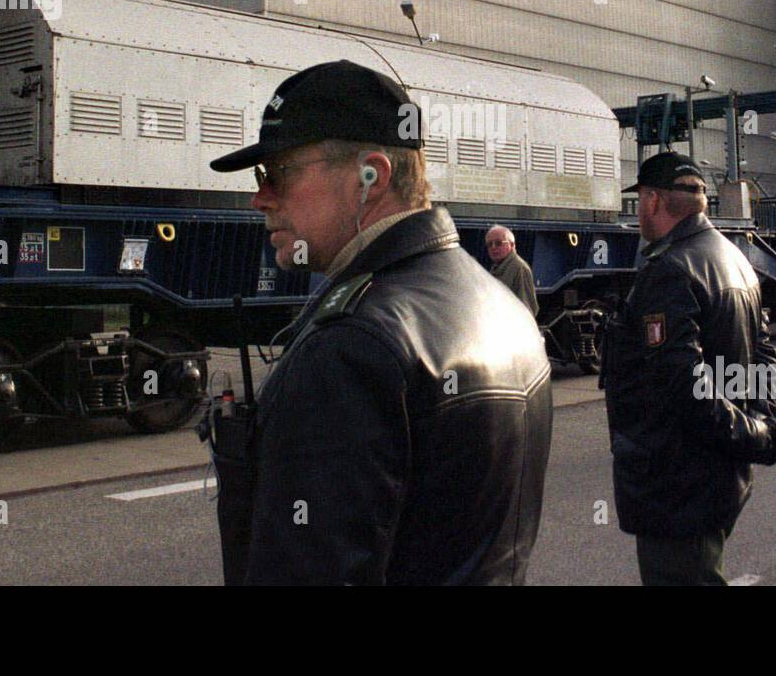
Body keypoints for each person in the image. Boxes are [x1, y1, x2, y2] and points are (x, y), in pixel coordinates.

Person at [209, 60, 552, 584]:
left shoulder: (352, 346)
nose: (260, 198)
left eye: (278, 173)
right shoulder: (500, 303)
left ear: (371, 176)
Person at [601, 152, 776, 586]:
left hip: (677, 483)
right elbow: (763, 352)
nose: (638, 218)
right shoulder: (733, 259)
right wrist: (761, 421)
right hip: (719, 477)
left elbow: (684, 386)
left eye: (639, 206)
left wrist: (751, 433)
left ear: (653, 202)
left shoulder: (668, 269)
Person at [486, 224, 540, 316]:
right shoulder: (497, 268)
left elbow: (526, 309)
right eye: (489, 244)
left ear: (512, 245)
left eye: (498, 243)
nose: (493, 247)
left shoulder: (519, 268)